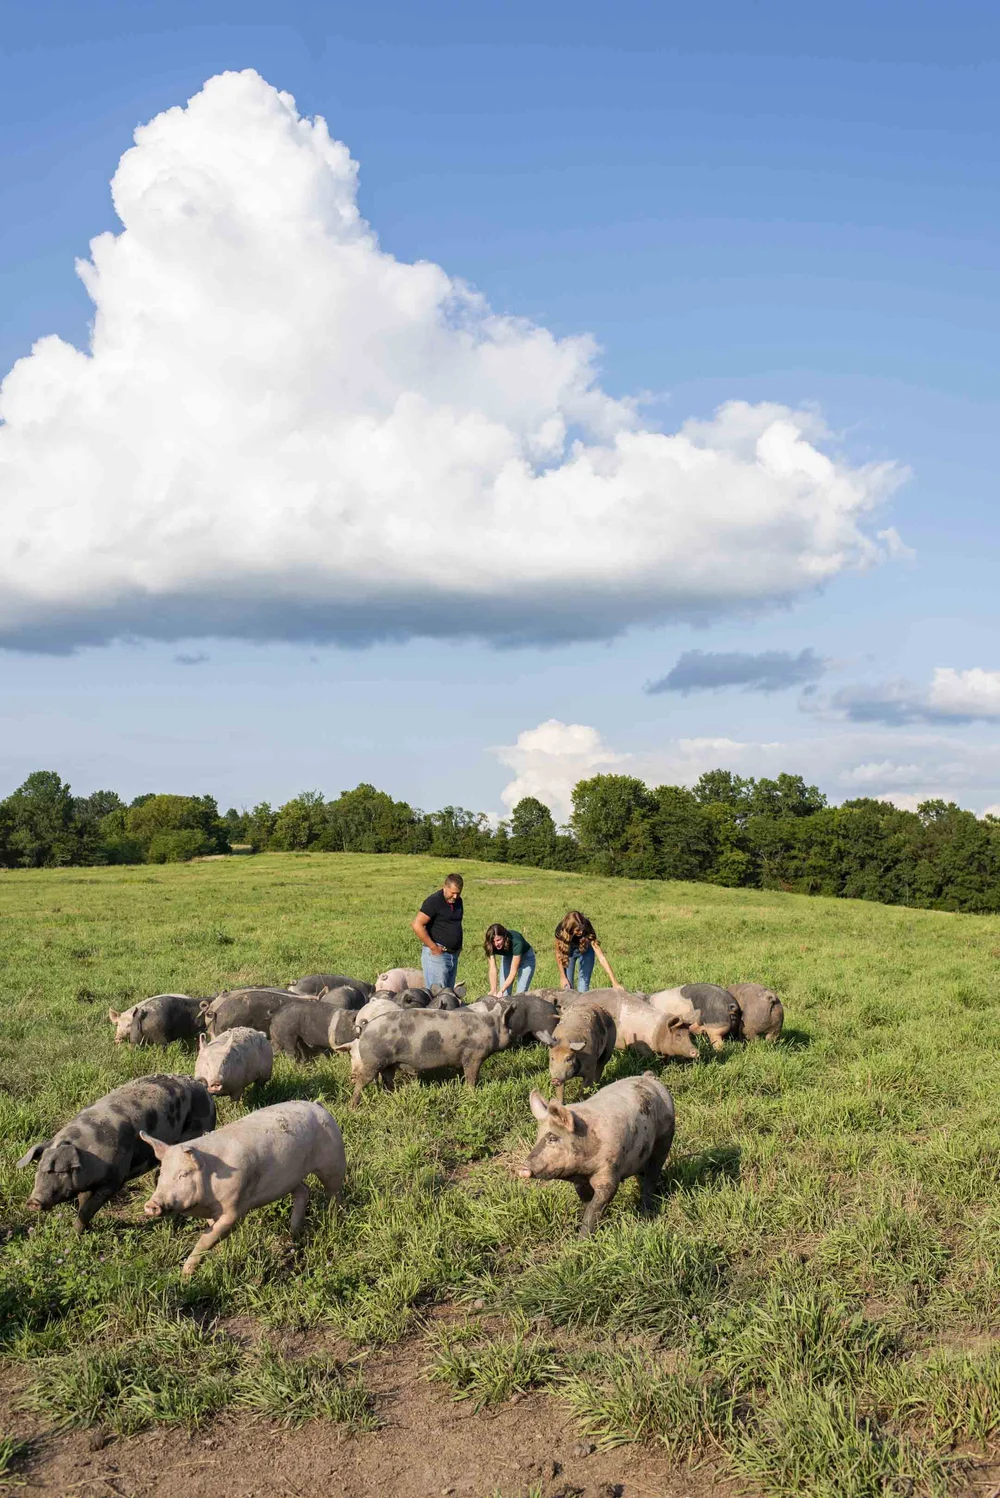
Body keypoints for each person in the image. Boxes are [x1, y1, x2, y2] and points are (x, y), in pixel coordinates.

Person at [412, 874, 464, 991]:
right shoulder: (434, 901)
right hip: (437, 956)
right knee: (438, 997)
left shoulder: (458, 901)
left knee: (448, 995)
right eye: (452, 892)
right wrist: (434, 948)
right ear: (444, 887)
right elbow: (417, 924)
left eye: (458, 893)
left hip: (452, 956)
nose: (455, 896)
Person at [554, 910, 619, 992]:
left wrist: (614, 982)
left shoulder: (587, 926)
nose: (581, 932)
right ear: (570, 928)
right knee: (567, 988)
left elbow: (601, 956)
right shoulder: (560, 931)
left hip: (585, 949)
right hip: (568, 952)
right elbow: (558, 953)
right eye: (577, 930)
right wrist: (562, 977)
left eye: (582, 929)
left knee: (583, 987)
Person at [484, 923, 536, 996]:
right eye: (493, 941)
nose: (496, 944)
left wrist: (501, 990)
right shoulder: (489, 945)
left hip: (526, 958)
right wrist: (493, 990)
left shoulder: (517, 942)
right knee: (504, 995)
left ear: (504, 936)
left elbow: (513, 972)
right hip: (508, 956)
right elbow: (492, 968)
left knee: (520, 994)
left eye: (498, 940)